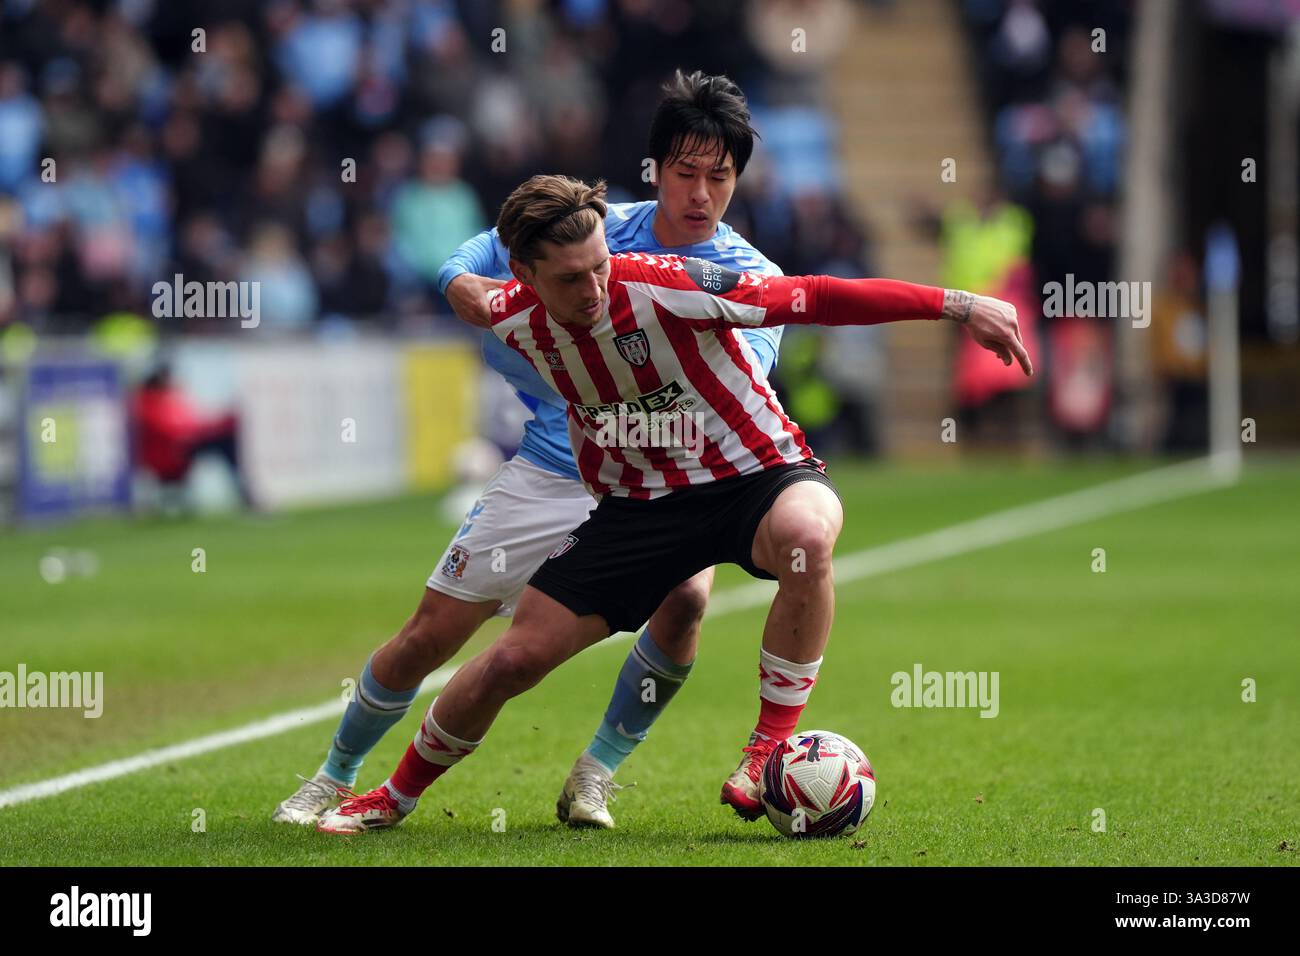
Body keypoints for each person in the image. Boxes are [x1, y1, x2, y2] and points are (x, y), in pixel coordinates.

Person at [314, 173, 1030, 834]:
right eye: (571, 278)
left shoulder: (670, 283)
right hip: (642, 510)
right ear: (525, 276)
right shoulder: (509, 313)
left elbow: (814, 295)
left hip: (757, 474)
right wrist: (457, 287)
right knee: (511, 662)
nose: (596, 286)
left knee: (808, 537)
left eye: (600, 264)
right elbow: (468, 288)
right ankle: (392, 795)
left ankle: (764, 751)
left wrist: (959, 305)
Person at [274, 71, 788, 830]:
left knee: (685, 601)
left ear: (738, 178)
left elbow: (744, 378)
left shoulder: (752, 277)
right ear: (656, 170)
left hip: (671, 482)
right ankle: (333, 774)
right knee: (433, 633)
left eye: (720, 176)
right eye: (686, 172)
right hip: (555, 465)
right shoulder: (599, 228)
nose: (702, 193)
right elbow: (487, 247)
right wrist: (458, 283)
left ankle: (595, 774)